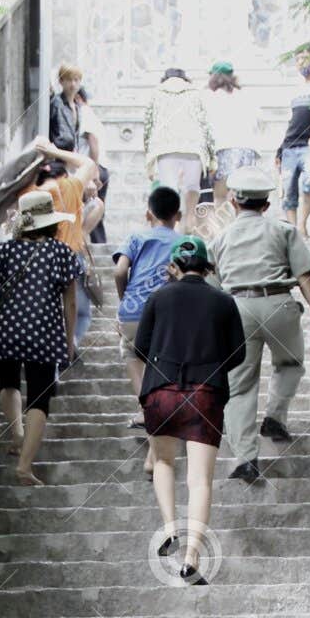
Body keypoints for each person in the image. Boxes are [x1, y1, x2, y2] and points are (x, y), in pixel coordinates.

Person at [133, 234, 246, 585]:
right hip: (204, 395)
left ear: (175, 265)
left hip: (161, 392)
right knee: (200, 481)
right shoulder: (224, 301)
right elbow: (238, 354)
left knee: (164, 462)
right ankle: (192, 556)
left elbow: (140, 348)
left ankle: (169, 528)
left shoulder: (158, 297)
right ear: (207, 265)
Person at [212, 165, 310, 487]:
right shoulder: (283, 231)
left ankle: (246, 458)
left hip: (236, 307)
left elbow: (211, 287)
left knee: (238, 385)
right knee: (289, 363)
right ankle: (275, 417)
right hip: (278, 302)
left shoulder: (220, 239)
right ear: (266, 205)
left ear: (234, 202)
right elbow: (304, 275)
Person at [0, 188, 85, 487]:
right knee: (40, 397)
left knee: (8, 382)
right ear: (50, 221)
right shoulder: (62, 252)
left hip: (7, 327)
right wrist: (69, 339)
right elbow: (71, 303)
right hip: (46, 332)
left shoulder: (6, 249)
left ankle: (17, 434)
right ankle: (24, 467)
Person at [113, 183, 182, 437]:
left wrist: (124, 300)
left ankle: (147, 409)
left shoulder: (136, 237)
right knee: (163, 359)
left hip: (133, 310)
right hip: (169, 312)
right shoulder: (183, 241)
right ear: (179, 216)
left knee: (132, 355)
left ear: (148, 214)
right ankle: (165, 408)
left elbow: (120, 271)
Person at [31, 136, 102, 357]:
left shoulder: (34, 192)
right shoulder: (70, 186)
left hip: (41, 258)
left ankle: (45, 352)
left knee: (45, 311)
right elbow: (89, 164)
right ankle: (70, 343)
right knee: (80, 312)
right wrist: (55, 151)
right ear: (63, 174)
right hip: (70, 255)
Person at [143, 67, 217, 233]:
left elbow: (148, 126)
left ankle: (171, 226)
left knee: (169, 188)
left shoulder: (156, 93)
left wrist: (148, 158)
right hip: (193, 145)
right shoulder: (195, 93)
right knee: (192, 187)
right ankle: (189, 221)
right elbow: (206, 126)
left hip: (165, 146)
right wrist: (212, 158)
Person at [275, 47, 310, 238]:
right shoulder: (294, 90)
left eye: (305, 58)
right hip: (289, 146)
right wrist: (279, 151)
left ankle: (303, 224)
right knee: (288, 190)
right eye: (298, 60)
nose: (302, 63)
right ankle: (293, 230)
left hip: (309, 145)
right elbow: (290, 122)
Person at [206, 62, 260, 207]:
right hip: (247, 150)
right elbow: (256, 123)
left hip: (224, 149)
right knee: (241, 197)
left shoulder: (212, 97)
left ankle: (224, 229)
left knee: (220, 197)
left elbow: (208, 127)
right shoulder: (245, 95)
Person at [77, 86, 110, 243]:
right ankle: (99, 245)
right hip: (99, 167)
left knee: (90, 208)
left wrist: (93, 171)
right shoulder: (92, 116)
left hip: (93, 167)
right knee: (95, 212)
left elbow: (93, 141)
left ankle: (90, 245)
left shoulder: (84, 112)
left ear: (78, 98)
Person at [48, 63, 84, 154]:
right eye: (69, 80)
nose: (73, 84)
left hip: (71, 155)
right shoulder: (56, 102)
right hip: (56, 154)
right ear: (61, 81)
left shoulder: (77, 106)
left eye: (76, 80)